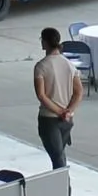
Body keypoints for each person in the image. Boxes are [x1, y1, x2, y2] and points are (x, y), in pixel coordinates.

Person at [33, 27, 83, 170]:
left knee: (58, 160)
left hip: (48, 119)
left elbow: (41, 95)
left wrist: (59, 111)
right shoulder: (69, 65)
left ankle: (64, 189)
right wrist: (68, 111)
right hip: (67, 120)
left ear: (45, 42)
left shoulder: (41, 67)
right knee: (60, 155)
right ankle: (63, 188)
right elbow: (79, 92)